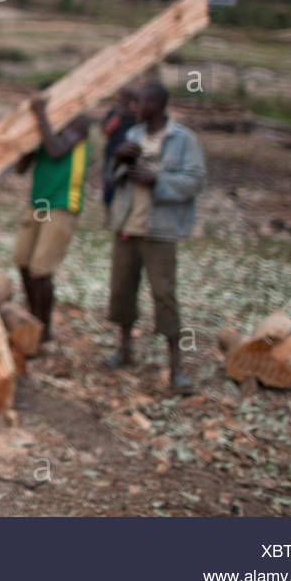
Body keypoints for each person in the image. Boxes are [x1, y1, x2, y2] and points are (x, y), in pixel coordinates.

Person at [102, 80, 206, 391]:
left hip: (159, 232)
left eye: (139, 103)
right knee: (121, 290)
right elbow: (113, 179)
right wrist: (119, 161)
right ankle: (124, 350)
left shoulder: (183, 140)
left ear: (156, 105)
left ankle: (176, 369)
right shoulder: (132, 136)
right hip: (127, 227)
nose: (133, 108)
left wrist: (156, 179)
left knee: (163, 294)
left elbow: (195, 181)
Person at [12, 95, 90, 344]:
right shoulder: (42, 126)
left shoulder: (79, 122)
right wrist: (26, 140)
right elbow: (21, 168)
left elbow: (56, 150)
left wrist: (40, 117)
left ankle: (44, 329)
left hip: (62, 203)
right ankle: (33, 319)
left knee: (41, 270)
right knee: (23, 261)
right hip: (38, 201)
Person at [100, 86, 137, 220]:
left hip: (131, 156)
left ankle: (124, 215)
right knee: (109, 182)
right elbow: (106, 130)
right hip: (112, 153)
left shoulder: (135, 115)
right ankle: (107, 215)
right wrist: (119, 115)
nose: (124, 100)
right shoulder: (114, 114)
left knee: (128, 184)